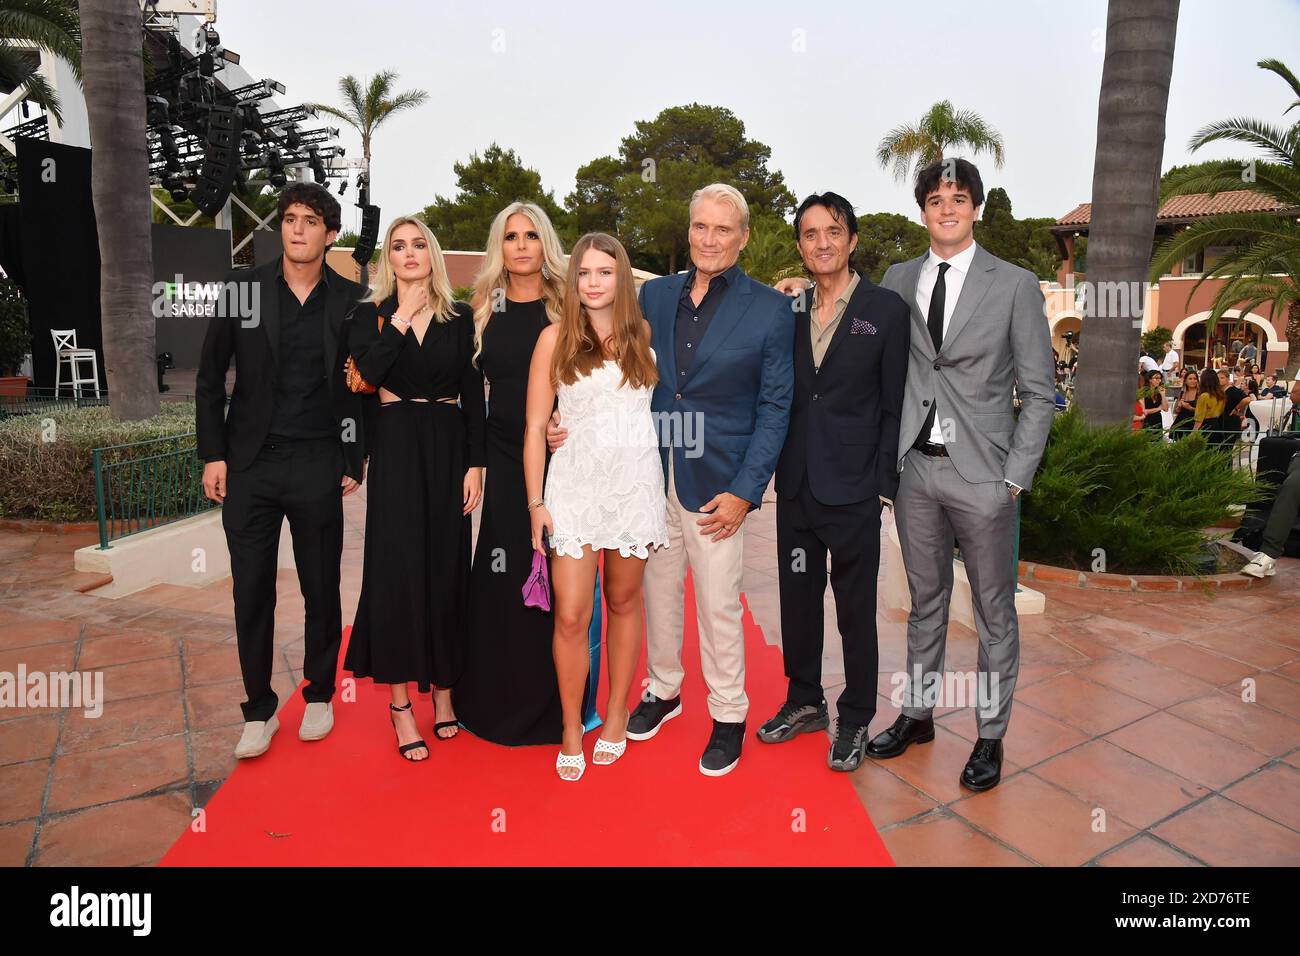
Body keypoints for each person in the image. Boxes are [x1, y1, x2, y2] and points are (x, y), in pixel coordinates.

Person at [548, 183, 794, 777]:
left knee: (716, 604)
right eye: (700, 227)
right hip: (647, 472)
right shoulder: (651, 296)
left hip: (719, 483)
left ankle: (729, 713)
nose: (709, 239)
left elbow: (776, 406)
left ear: (744, 236)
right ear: (689, 231)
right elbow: (599, 356)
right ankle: (663, 690)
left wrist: (745, 491)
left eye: (723, 229)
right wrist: (565, 420)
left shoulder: (769, 309)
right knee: (653, 596)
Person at [867, 158, 1055, 793]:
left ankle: (990, 735)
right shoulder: (896, 280)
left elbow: (1038, 388)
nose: (946, 208)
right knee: (925, 605)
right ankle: (917, 714)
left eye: (959, 197)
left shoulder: (1015, 284)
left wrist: (1015, 479)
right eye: (935, 198)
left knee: (995, 611)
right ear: (921, 209)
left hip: (985, 476)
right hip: (916, 469)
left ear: (976, 207)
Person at [197, 183, 366, 759]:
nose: (297, 229)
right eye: (290, 219)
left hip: (319, 462)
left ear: (330, 233)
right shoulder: (244, 289)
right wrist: (213, 454)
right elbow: (208, 376)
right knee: (252, 592)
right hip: (250, 467)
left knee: (322, 588)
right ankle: (258, 710)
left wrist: (353, 455)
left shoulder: (352, 299)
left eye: (310, 221)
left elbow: (363, 387)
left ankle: (319, 694)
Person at [760, 193, 909, 772]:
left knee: (853, 610)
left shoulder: (885, 310)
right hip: (795, 484)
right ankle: (803, 701)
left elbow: (894, 403)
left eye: (833, 231)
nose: (821, 242)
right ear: (799, 244)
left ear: (851, 240)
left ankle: (854, 716)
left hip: (853, 491)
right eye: (810, 233)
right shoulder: (788, 311)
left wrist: (883, 484)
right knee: (797, 602)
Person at [525, 232, 668, 781]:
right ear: (572, 280)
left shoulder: (643, 337)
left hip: (633, 486)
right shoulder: (554, 338)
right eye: (583, 273)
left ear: (622, 278)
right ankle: (569, 724)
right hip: (574, 489)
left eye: (604, 272)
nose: (593, 282)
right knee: (570, 613)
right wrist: (536, 501)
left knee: (625, 602)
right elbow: (537, 426)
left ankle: (616, 712)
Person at [343, 216, 486, 761]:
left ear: (433, 254)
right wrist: (398, 320)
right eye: (398, 246)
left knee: (448, 568)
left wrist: (476, 465)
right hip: (398, 447)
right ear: (388, 257)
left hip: (449, 448)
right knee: (398, 572)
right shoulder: (369, 315)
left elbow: (473, 394)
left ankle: (444, 694)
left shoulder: (459, 318)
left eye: (418, 244)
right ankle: (401, 705)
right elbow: (361, 380)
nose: (409, 253)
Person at [453, 201, 583, 747]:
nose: (522, 245)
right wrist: (475, 461)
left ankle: (557, 704)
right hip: (505, 459)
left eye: (532, 235)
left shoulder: (567, 305)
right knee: (503, 573)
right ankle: (494, 698)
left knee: (561, 579)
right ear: (499, 247)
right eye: (511, 237)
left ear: (545, 243)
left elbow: (593, 376)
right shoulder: (483, 307)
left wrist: (564, 419)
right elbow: (469, 395)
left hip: (562, 457)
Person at [1170, 368, 1199, 440]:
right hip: (1181, 421)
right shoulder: (1182, 393)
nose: (1193, 381)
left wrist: (1190, 408)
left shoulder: (1200, 393)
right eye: (1190, 379)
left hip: (1193, 422)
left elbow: (1203, 411)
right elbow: (1176, 411)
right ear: (1185, 381)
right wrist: (1179, 407)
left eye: (1195, 379)